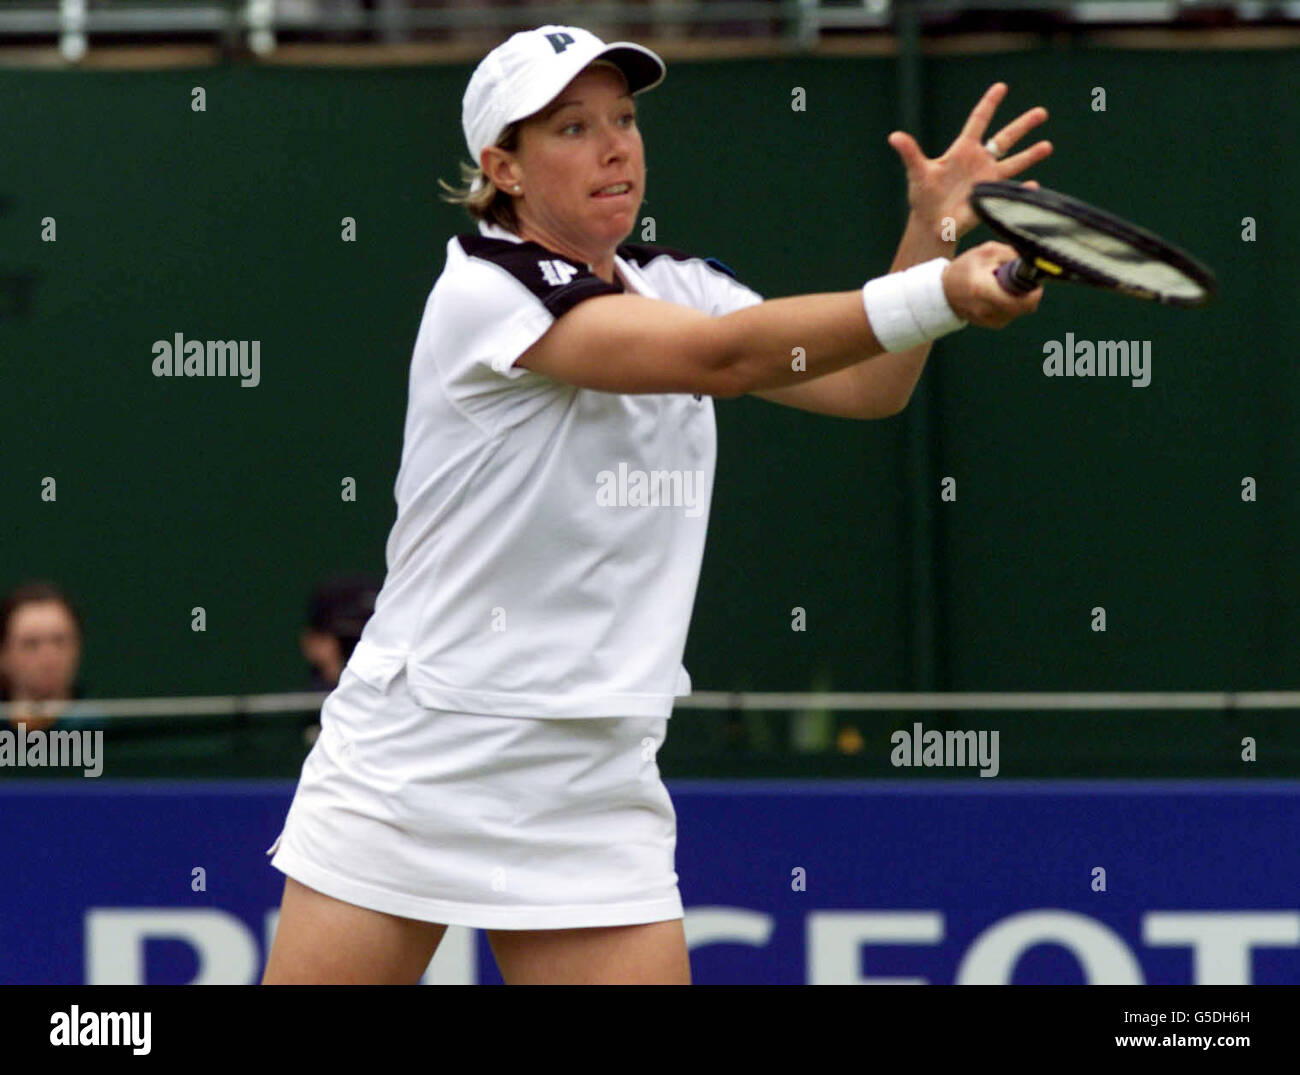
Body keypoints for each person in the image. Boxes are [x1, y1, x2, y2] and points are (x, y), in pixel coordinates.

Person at [262, 23, 1051, 986]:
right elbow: (726, 357)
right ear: (501, 166)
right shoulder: (484, 290)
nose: (615, 145)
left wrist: (934, 235)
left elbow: (869, 386)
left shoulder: (683, 284)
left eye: (625, 119)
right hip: (424, 752)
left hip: (596, 775)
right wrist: (942, 291)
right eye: (572, 127)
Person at [0, 580, 95, 731]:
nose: (48, 657)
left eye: (59, 641)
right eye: (31, 644)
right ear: (4, 654)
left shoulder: (105, 734)